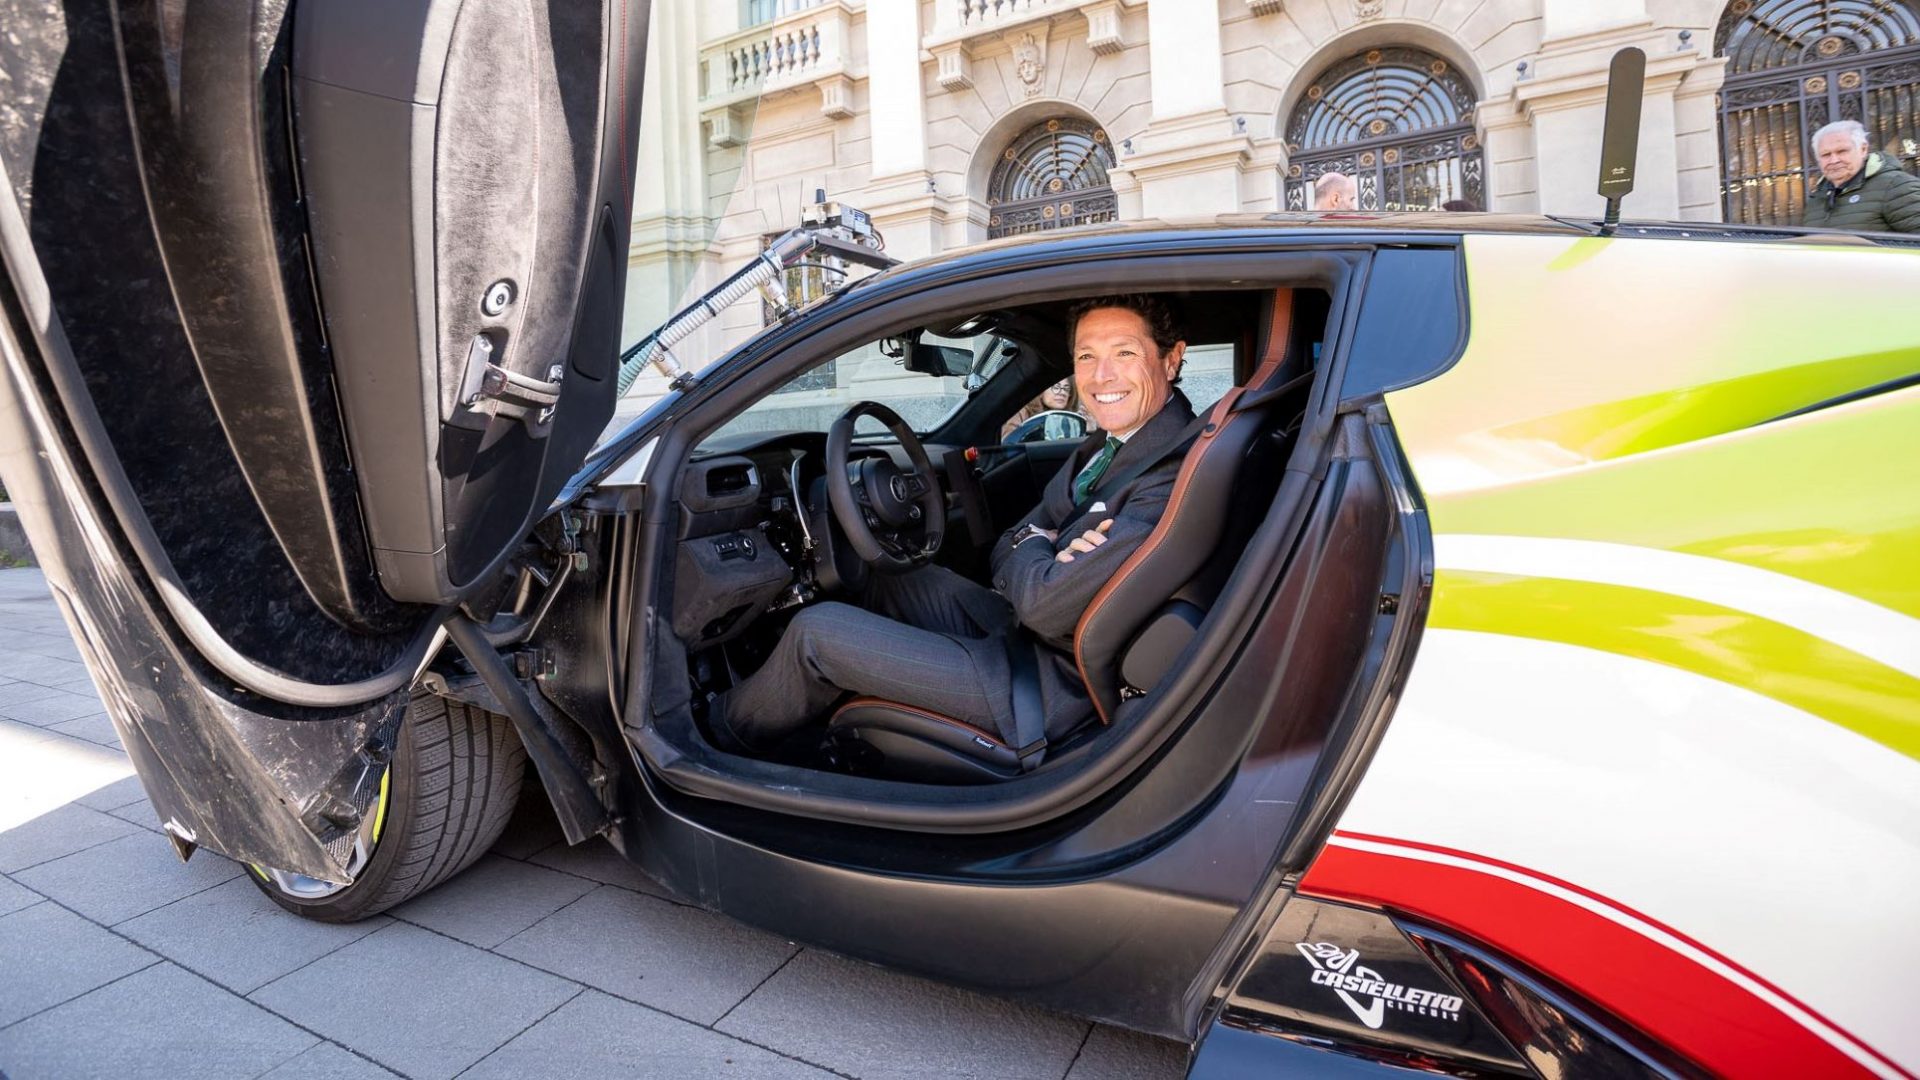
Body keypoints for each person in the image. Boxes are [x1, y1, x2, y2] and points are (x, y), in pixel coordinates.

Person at [706, 295, 1194, 755]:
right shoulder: (1105, 445)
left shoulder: (1168, 472)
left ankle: (713, 738)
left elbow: (1044, 605)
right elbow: (1012, 542)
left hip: (1051, 685)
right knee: (892, 578)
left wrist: (1034, 549)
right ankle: (810, 706)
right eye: (1086, 357)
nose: (1100, 375)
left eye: (1124, 352)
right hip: (1022, 632)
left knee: (815, 634)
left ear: (1171, 359)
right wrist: (1039, 550)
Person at [1801, 119, 1920, 234]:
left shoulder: (1896, 186)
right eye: (1826, 155)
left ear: (1863, 149)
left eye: (1842, 151)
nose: (1834, 160)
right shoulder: (1817, 198)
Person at [1000, 377, 1084, 441]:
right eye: (1056, 387)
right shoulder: (1024, 411)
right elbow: (1009, 442)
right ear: (1041, 391)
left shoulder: (1072, 420)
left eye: (1066, 389)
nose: (1062, 392)